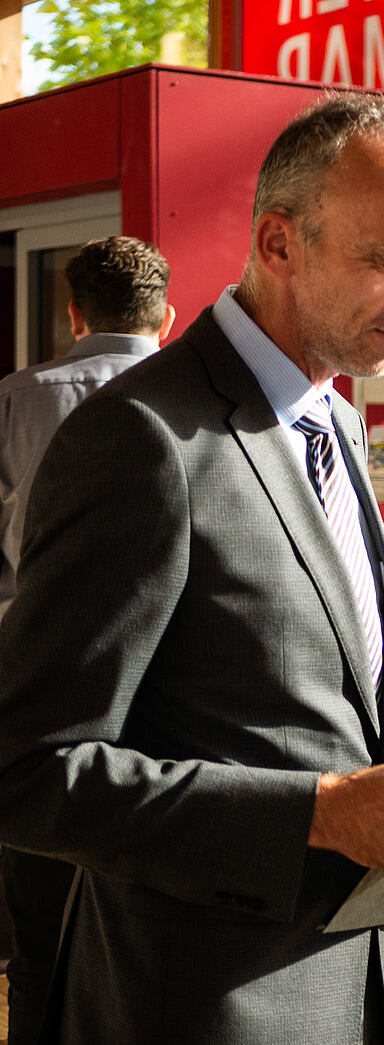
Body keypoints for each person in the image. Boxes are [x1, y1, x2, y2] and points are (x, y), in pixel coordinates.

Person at [0, 92, 384, 1044]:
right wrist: (320, 816)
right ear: (280, 244)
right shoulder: (143, 438)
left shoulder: (332, 417)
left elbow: (306, 718)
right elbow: (30, 771)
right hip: (191, 1006)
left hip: (337, 987)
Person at [0, 235, 175, 1045]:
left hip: (29, 679)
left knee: (37, 922)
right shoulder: (193, 402)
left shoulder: (15, 398)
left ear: (74, 314)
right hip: (166, 701)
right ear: (168, 317)